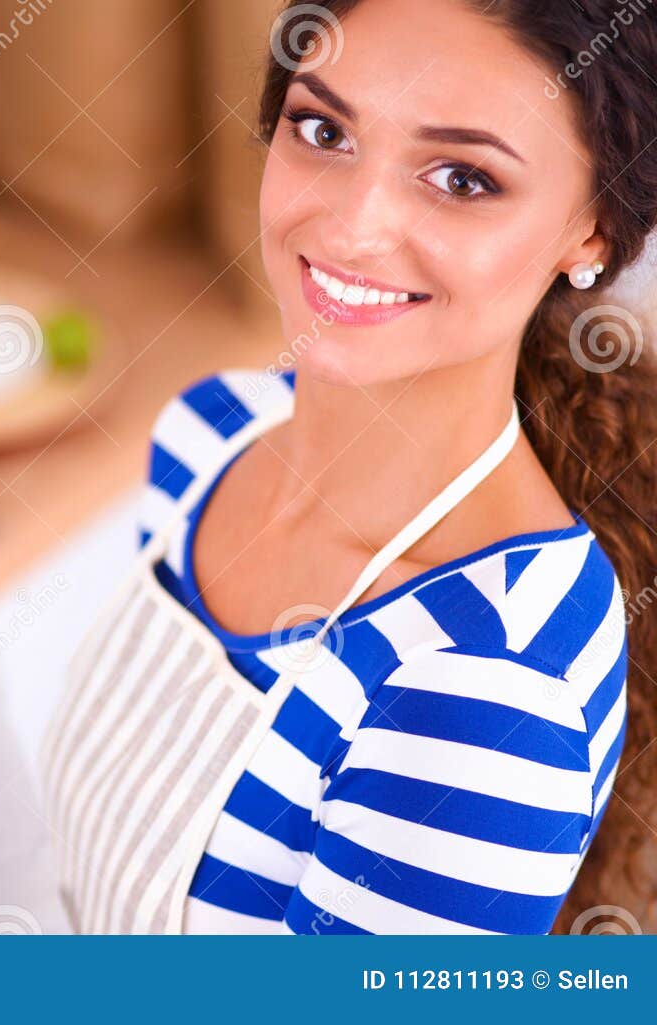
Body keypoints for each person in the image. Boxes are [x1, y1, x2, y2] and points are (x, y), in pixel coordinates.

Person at [43, 0, 657, 934]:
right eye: (323, 130)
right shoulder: (207, 437)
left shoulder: (486, 684)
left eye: (463, 178)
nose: (353, 227)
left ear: (594, 233)